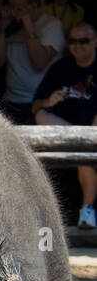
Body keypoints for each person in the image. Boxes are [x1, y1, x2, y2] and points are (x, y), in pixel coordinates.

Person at [32, 22, 97, 228]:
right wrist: (48, 101)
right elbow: (36, 107)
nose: (77, 45)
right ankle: (80, 142)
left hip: (94, 131)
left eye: (83, 41)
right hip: (66, 132)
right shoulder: (61, 68)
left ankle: (87, 209)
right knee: (42, 115)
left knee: (86, 150)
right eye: (72, 41)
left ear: (95, 42)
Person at [0, 0, 66, 124]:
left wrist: (28, 27)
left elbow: (40, 62)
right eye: (11, 7)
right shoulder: (11, 26)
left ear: (34, 5)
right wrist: (1, 30)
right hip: (11, 100)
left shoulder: (52, 25)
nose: (14, 12)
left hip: (38, 102)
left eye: (19, 8)